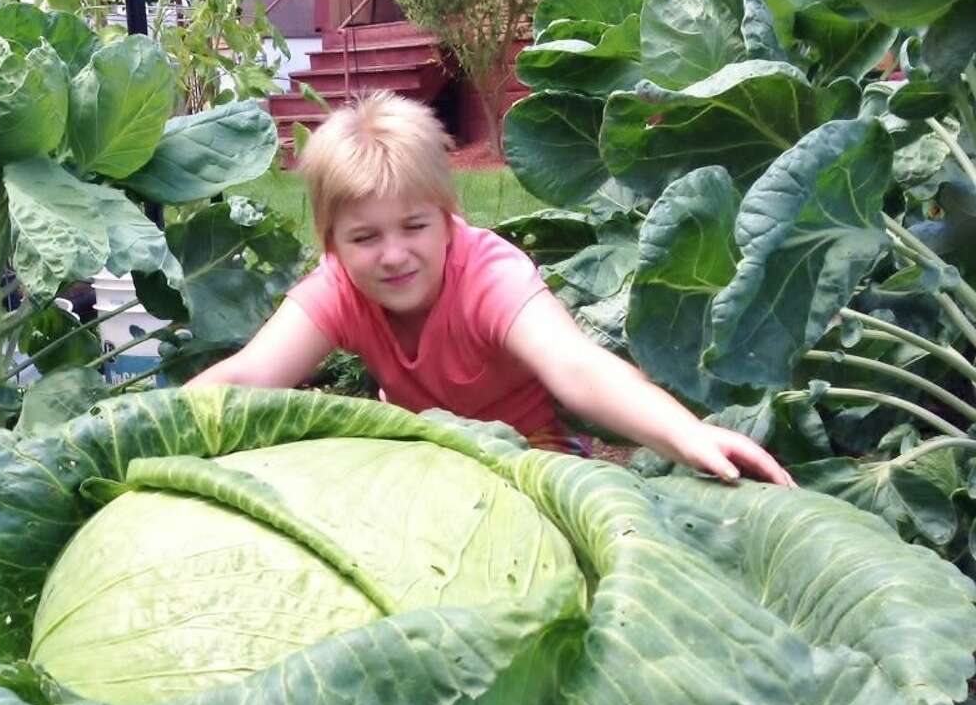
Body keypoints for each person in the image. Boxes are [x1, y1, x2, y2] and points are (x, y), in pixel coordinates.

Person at [187, 93, 793, 487]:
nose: (394, 254)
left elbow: (577, 367)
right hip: (435, 467)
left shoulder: (488, 274)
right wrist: (130, 427)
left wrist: (686, 433)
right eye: (365, 237)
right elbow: (247, 377)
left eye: (416, 227)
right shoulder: (339, 288)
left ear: (448, 217)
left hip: (538, 467)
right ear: (333, 245)